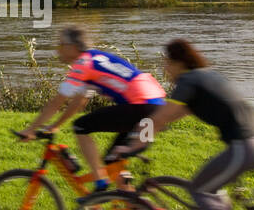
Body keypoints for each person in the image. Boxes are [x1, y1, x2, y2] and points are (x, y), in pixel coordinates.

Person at [110, 38, 254, 210]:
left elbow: (160, 117)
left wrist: (130, 146)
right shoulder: (207, 76)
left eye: (166, 63)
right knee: (214, 192)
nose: (165, 69)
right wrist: (144, 135)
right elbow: (170, 117)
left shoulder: (188, 80)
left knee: (199, 189)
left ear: (177, 63)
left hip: (244, 147)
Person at [16, 25, 166, 193]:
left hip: (140, 107)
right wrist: (56, 125)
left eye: (60, 45)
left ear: (72, 47)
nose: (57, 50)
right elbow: (79, 102)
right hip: (157, 110)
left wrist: (30, 129)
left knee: (81, 126)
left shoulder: (82, 64)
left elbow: (56, 102)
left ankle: (99, 180)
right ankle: (134, 209)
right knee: (112, 161)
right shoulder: (96, 58)